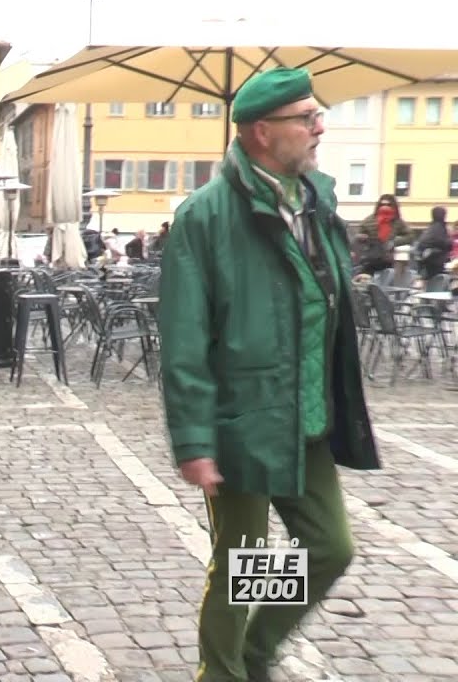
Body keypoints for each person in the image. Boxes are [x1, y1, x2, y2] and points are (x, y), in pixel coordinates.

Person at [158, 67, 380, 682]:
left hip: (304, 417)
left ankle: (255, 653)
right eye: (305, 118)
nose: (319, 126)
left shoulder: (316, 203)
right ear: (262, 131)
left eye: (317, 114)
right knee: (241, 562)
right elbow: (182, 341)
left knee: (330, 546)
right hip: (241, 423)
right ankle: (223, 674)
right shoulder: (204, 217)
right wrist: (195, 443)